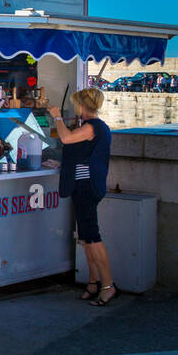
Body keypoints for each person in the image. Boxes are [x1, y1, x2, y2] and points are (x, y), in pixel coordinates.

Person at [49, 88, 115, 305]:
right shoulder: (95, 127)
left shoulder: (92, 126)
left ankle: (108, 285)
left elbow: (66, 138)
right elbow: (81, 153)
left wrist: (57, 117)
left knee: (92, 237)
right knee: (86, 238)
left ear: (82, 105)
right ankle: (93, 282)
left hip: (87, 187)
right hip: (84, 185)